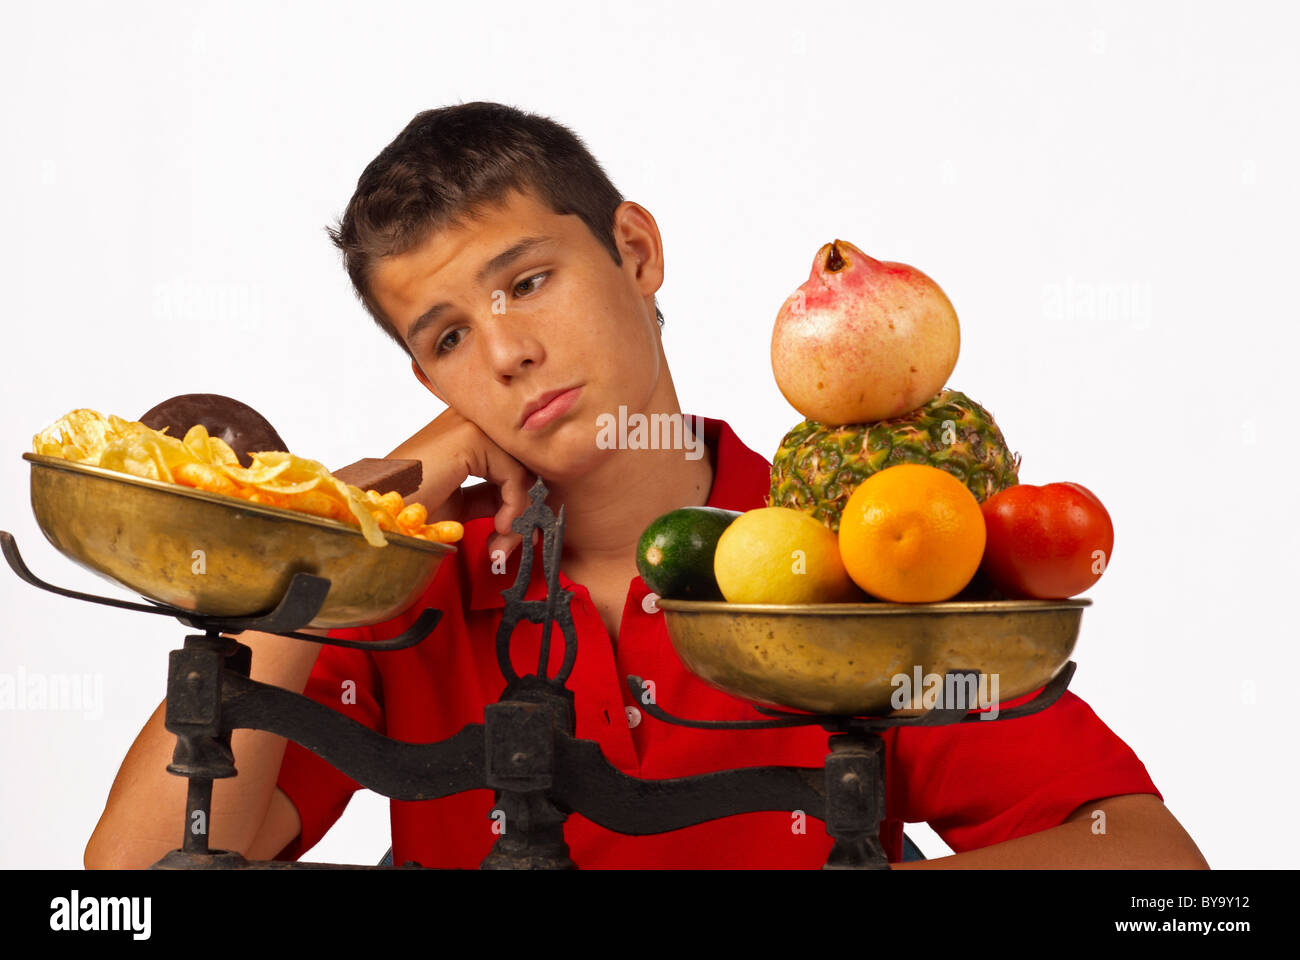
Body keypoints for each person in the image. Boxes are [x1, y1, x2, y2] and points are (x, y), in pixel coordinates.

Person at [85, 102, 1209, 870]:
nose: (508, 351)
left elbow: (1150, 865)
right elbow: (128, 889)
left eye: (528, 281)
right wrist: (328, 537)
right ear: (423, 376)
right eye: (447, 335)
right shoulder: (406, 590)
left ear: (633, 250)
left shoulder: (856, 559)